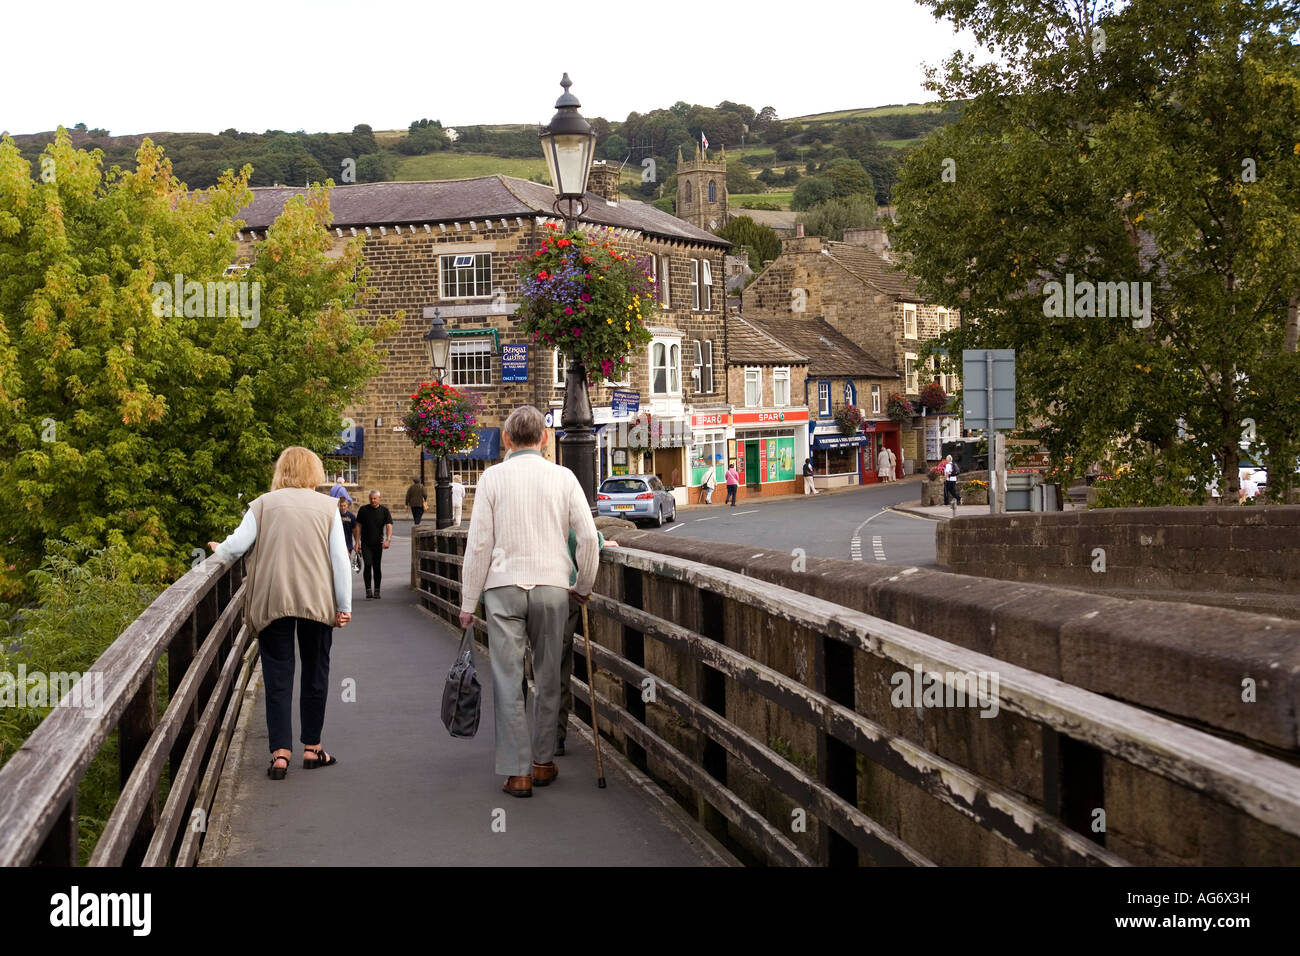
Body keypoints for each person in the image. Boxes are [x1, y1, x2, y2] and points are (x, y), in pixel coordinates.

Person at [459, 405, 599, 798]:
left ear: (506, 439)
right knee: (549, 675)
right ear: (544, 438)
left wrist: (468, 602)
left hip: (503, 587)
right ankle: (542, 762)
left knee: (508, 679)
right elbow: (589, 539)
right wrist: (583, 584)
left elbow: (479, 545)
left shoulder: (492, 479)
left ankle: (517, 772)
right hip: (553, 586)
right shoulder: (563, 477)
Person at [208, 447, 352, 780]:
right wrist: (343, 606)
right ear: (313, 472)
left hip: (274, 599)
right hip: (317, 600)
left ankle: (280, 754)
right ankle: (312, 748)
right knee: (316, 672)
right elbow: (340, 560)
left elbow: (234, 547)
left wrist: (218, 549)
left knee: (277, 675)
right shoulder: (328, 507)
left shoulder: (262, 505)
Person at [552, 529, 618, 756]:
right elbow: (582, 535)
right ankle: (554, 737)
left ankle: (517, 742)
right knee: (556, 665)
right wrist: (599, 540)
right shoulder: (561, 492)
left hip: (516, 587)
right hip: (559, 589)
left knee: (518, 667)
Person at [356, 490, 393, 599]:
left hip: (378, 544)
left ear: (379, 499)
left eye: (375, 498)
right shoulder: (363, 510)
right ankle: (368, 590)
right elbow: (358, 526)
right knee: (367, 565)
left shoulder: (384, 511)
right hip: (366, 543)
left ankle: (377, 590)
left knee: (377, 567)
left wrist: (388, 540)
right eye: (371, 498)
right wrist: (357, 542)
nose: (373, 500)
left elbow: (389, 526)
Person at [337, 496, 360, 574]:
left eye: (344, 505)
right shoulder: (335, 516)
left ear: (347, 505)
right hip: (338, 544)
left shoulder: (351, 516)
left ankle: (345, 582)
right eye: (341, 506)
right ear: (338, 505)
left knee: (346, 565)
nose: (343, 507)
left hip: (348, 544)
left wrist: (357, 543)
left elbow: (355, 531)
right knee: (338, 566)